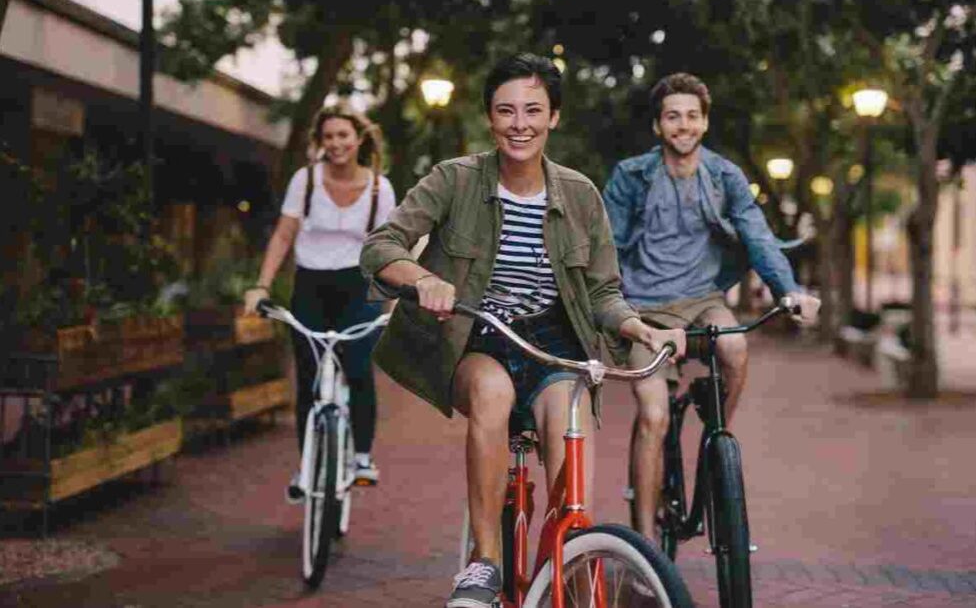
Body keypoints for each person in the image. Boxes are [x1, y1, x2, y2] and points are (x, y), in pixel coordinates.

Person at [360, 53, 686, 608]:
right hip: (478, 337)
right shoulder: (454, 179)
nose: (520, 123)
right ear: (489, 117)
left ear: (554, 117)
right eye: (506, 110)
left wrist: (639, 327)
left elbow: (604, 292)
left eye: (534, 110)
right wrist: (422, 280)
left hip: (554, 344)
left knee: (568, 443)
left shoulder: (580, 195)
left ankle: (567, 561)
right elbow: (380, 248)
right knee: (493, 393)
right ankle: (484, 563)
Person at [602, 72, 821, 540]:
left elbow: (758, 237)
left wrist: (789, 290)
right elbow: (608, 249)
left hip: (703, 299)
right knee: (654, 417)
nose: (683, 125)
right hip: (644, 310)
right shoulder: (631, 176)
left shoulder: (724, 176)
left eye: (692, 116)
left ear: (705, 122)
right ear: (658, 126)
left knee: (737, 348)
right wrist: (609, 308)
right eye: (672, 117)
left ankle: (714, 439)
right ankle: (644, 545)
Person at [244, 105, 396, 500]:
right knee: (309, 378)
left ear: (359, 139)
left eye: (343, 135)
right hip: (310, 286)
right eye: (328, 137)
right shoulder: (305, 180)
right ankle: (307, 465)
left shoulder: (380, 187)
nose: (336, 144)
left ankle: (362, 456)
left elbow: (390, 249)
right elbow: (283, 235)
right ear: (320, 142)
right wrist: (261, 285)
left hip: (359, 285)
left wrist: (394, 302)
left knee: (359, 367)